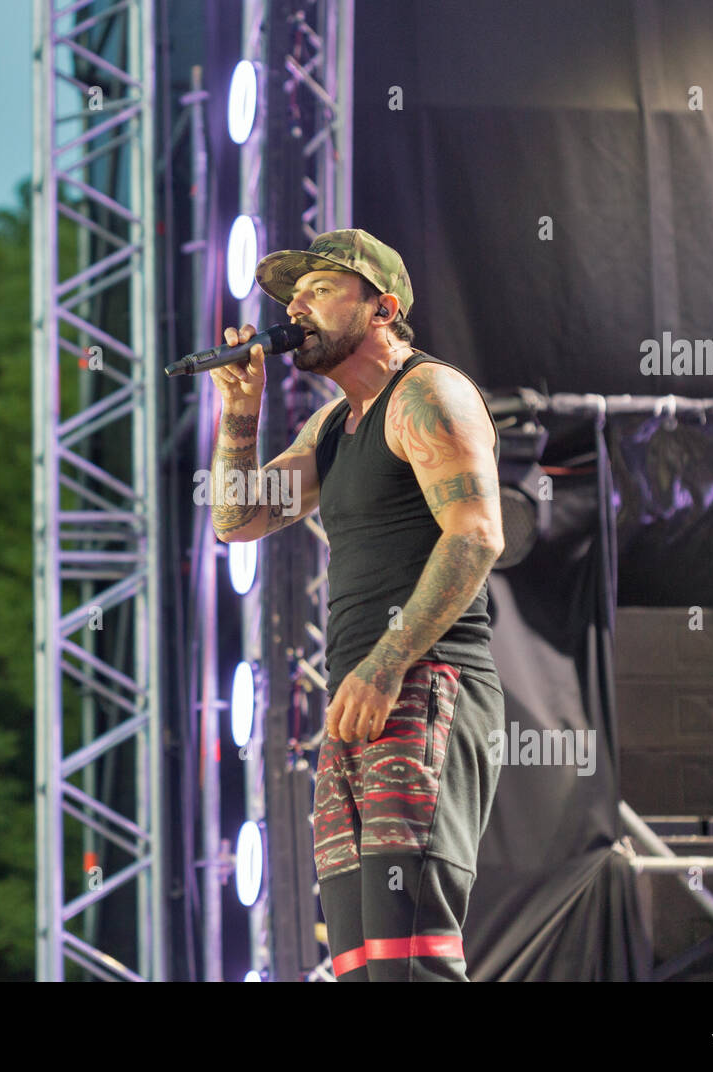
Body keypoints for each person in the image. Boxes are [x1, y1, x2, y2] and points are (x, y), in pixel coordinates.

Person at [208, 229, 506, 981]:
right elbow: (238, 518)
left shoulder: (426, 395)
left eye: (320, 290)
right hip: (361, 697)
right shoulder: (333, 428)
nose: (297, 307)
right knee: (360, 962)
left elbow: (475, 535)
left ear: (383, 307)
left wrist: (386, 664)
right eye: (293, 295)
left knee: (412, 957)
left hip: (422, 678)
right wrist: (241, 413)